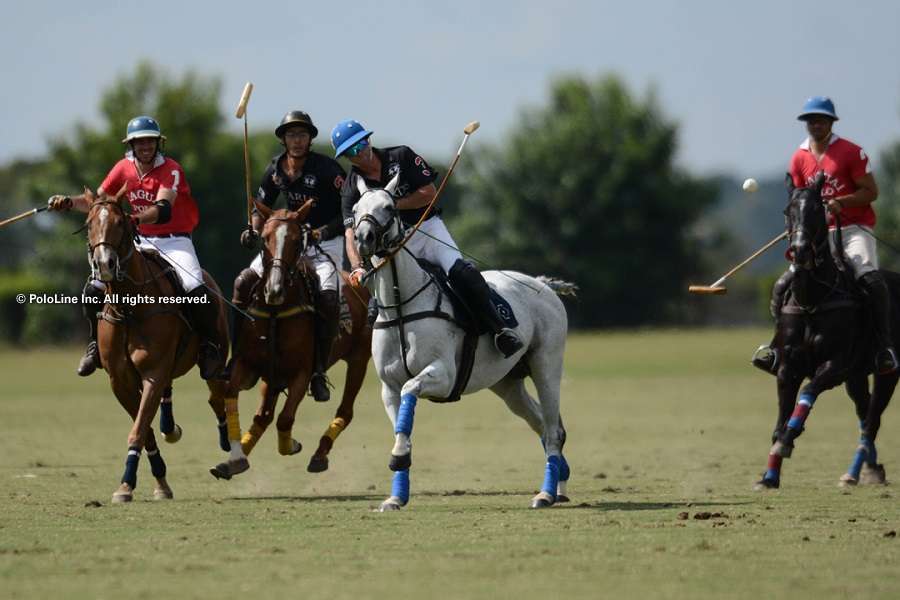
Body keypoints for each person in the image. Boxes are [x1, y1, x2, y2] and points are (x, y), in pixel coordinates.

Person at [47, 116, 226, 379]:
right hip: (139, 240)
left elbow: (163, 209)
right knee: (93, 290)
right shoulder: (123, 168)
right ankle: (95, 345)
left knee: (194, 287)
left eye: (150, 141)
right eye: (140, 142)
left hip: (174, 241)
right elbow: (99, 203)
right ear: (131, 144)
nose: (145, 146)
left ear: (158, 143)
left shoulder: (171, 169)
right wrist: (68, 203)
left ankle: (209, 347)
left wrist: (135, 219)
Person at [332, 118, 523, 358]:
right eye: (351, 152)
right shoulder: (351, 187)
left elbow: (428, 193)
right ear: (346, 157)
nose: (359, 153)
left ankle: (500, 330)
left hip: (427, 229)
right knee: (376, 304)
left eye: (360, 145)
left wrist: (390, 206)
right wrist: (357, 266)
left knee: (463, 274)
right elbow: (350, 232)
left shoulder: (401, 156)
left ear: (368, 140)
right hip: (392, 246)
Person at [752, 96, 897, 375]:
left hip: (854, 228)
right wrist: (794, 227)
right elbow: (796, 198)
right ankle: (777, 349)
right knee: (784, 285)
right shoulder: (799, 157)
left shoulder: (851, 152)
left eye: (820, 120)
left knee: (869, 278)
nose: (815, 125)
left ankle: (884, 348)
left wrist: (841, 202)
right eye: (811, 121)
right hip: (816, 235)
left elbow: (871, 192)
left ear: (831, 122)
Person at [231, 110, 346, 402]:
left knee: (328, 297)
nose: (297, 140)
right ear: (283, 139)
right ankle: (236, 355)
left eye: (302, 134)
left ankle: (318, 370)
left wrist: (322, 232)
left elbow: (348, 210)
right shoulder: (275, 169)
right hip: (288, 241)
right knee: (243, 282)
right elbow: (260, 207)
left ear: (310, 139)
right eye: (292, 135)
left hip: (326, 243)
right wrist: (254, 230)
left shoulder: (328, 170)